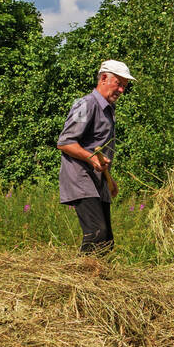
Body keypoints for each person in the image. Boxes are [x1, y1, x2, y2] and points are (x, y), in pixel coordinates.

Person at [57, 60, 133, 253]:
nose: (121, 90)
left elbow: (98, 150)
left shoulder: (109, 109)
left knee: (106, 241)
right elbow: (65, 142)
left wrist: (110, 180)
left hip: (98, 180)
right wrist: (90, 158)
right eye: (119, 83)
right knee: (96, 233)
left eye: (124, 86)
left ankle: (97, 279)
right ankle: (80, 279)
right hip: (81, 178)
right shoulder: (86, 104)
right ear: (104, 78)